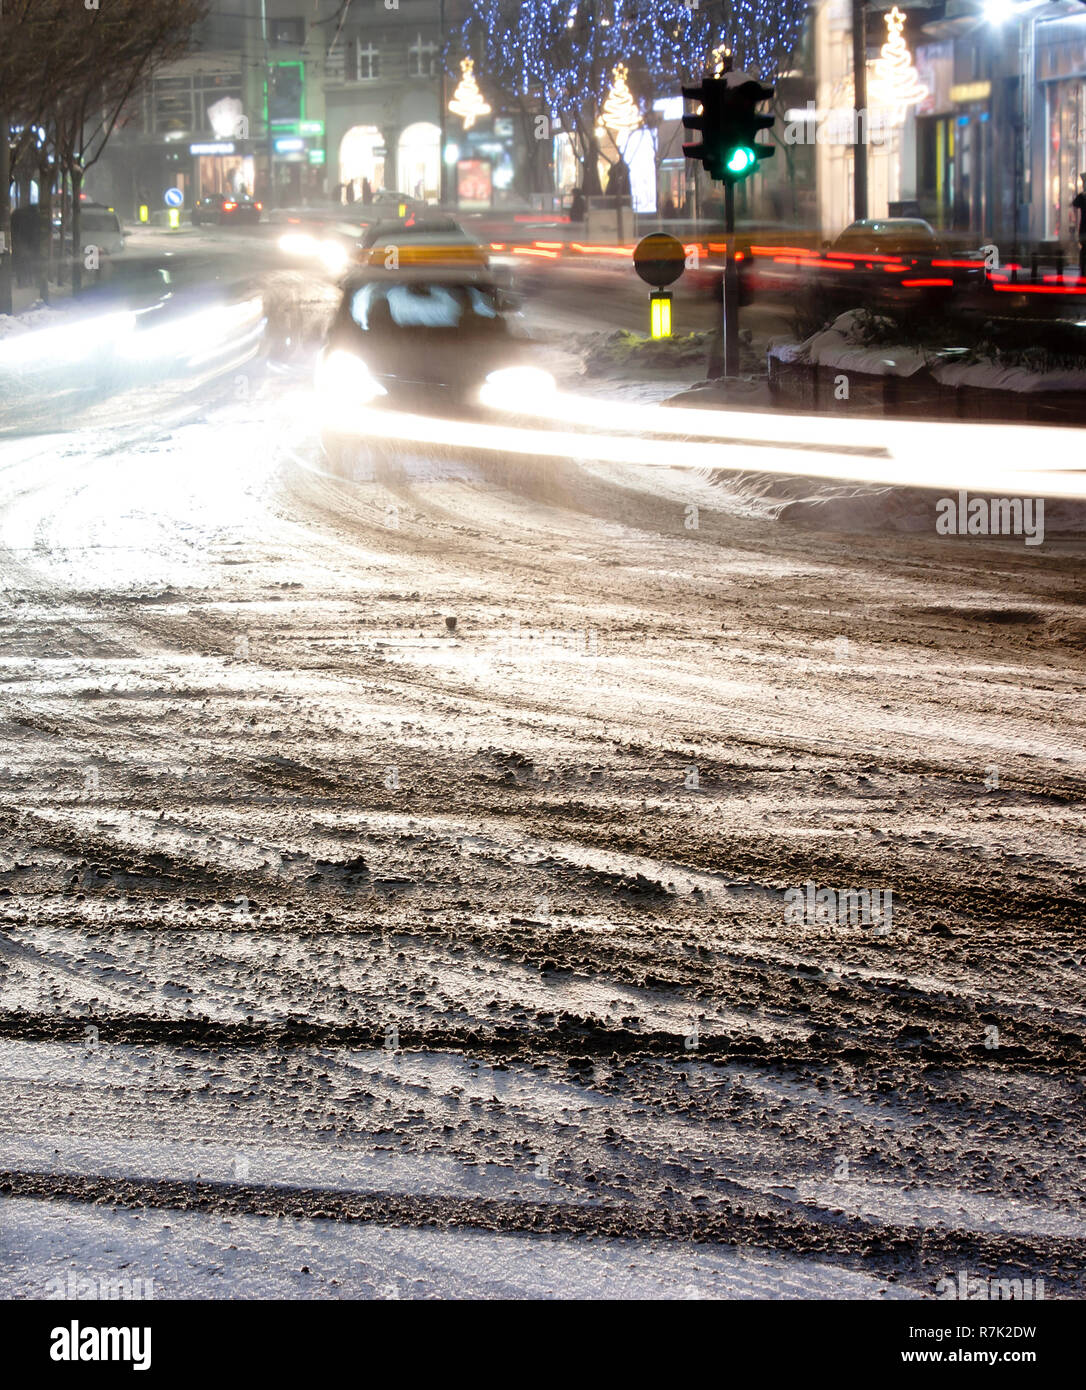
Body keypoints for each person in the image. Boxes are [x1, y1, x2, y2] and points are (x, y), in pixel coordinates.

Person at [1073, 173, 1086, 279]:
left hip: (1083, 228)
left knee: (1084, 249)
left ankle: (1082, 269)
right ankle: (1082, 269)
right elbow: (1075, 203)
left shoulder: (1083, 196)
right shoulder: (1082, 196)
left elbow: (1075, 203)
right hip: (1084, 228)